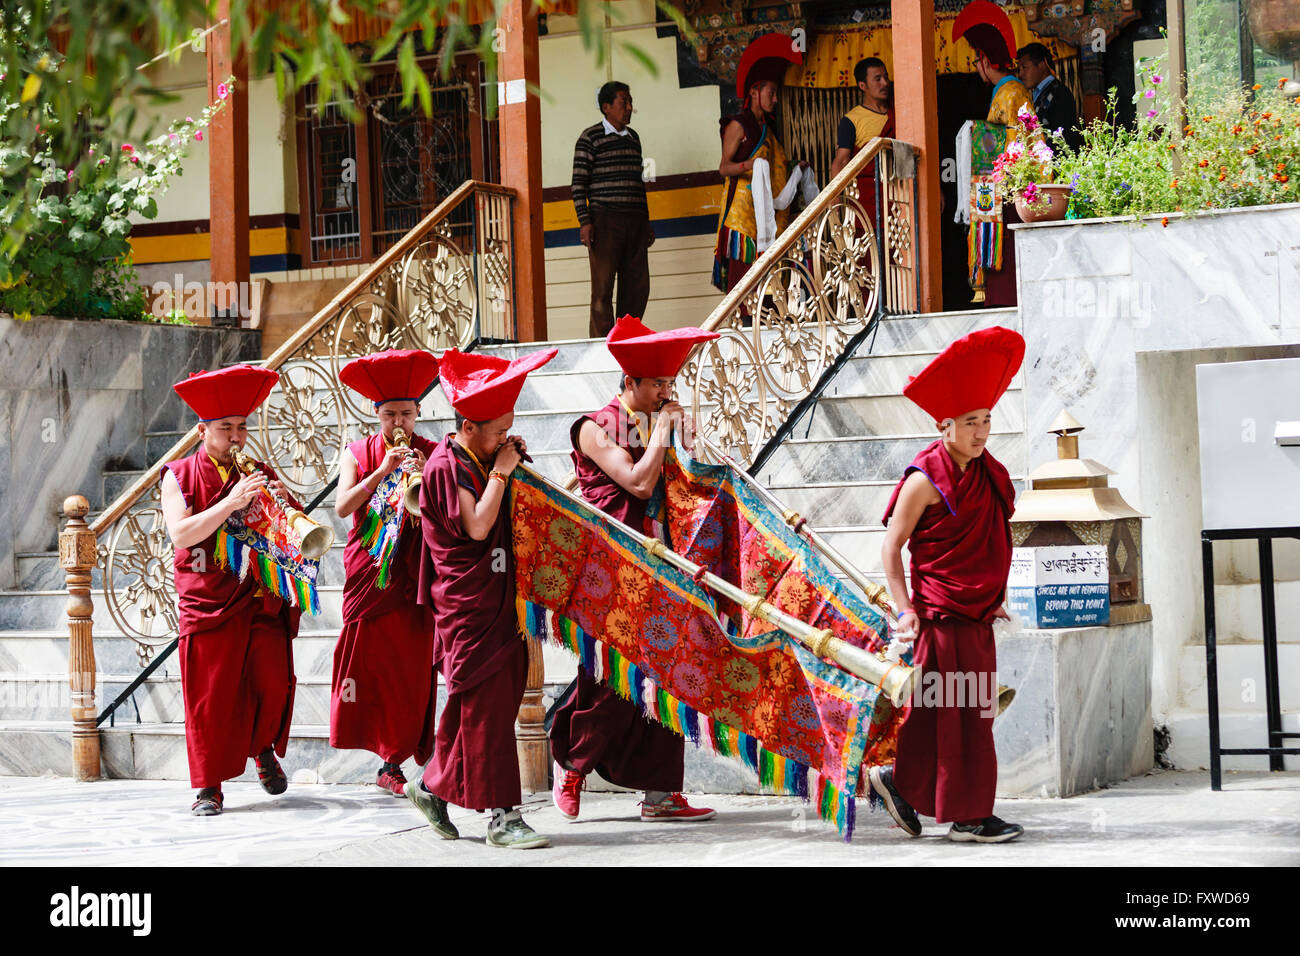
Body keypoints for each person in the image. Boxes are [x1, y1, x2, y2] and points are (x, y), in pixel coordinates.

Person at [549, 314, 719, 824]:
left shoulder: (653, 419)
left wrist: (687, 431)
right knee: (610, 677)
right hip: (608, 570)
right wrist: (664, 430)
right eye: (658, 385)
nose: (665, 391)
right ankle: (573, 767)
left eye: (670, 383)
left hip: (662, 565)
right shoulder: (594, 428)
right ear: (630, 383)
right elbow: (639, 486)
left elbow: (696, 475)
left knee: (667, 675)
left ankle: (661, 793)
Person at [869, 326, 1026, 844]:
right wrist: (904, 608)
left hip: (977, 615)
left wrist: (995, 595)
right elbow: (892, 548)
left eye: (986, 421)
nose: (982, 433)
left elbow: (992, 538)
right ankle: (964, 813)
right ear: (945, 425)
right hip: (938, 616)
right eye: (971, 423)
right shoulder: (925, 479)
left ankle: (910, 789)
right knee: (949, 713)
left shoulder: (988, 471)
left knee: (964, 714)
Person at [404, 345, 558, 849]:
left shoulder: (481, 454)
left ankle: (431, 786)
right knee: (487, 713)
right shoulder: (447, 465)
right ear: (468, 426)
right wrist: (501, 473)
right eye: (497, 432)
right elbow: (476, 526)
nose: (504, 441)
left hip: (502, 602)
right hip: (468, 608)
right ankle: (503, 818)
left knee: (480, 708)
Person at [160, 365, 299, 816]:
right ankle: (209, 787)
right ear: (203, 431)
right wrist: (231, 502)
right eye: (226, 429)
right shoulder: (178, 475)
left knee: (273, 683)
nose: (236, 437)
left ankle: (261, 748)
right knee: (211, 696)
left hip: (258, 596)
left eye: (241, 427)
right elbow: (181, 534)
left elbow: (289, 524)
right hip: (209, 600)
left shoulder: (258, 471)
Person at [331, 349, 440, 796]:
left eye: (408, 414)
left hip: (415, 576)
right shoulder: (356, 453)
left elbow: (445, 512)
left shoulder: (432, 452)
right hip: (371, 573)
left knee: (411, 671)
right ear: (377, 414)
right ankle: (385, 758)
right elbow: (342, 507)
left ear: (418, 414)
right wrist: (382, 471)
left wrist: (423, 476)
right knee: (374, 669)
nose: (400, 424)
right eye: (391, 414)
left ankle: (398, 759)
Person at [953, 0, 1036, 308]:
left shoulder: (1010, 92)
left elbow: (1016, 141)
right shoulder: (1006, 91)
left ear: (985, 59)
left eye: (976, 61)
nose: (977, 68)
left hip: (1009, 190)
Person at [713, 32, 806, 293]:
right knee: (744, 287)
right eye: (772, 93)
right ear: (754, 91)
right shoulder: (737, 125)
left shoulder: (769, 129)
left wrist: (795, 168)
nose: (775, 100)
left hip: (769, 213)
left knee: (770, 287)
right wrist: (749, 165)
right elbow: (724, 168)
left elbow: (775, 168)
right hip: (742, 216)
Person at [572, 81, 654, 337]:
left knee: (637, 286)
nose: (629, 108)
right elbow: (578, 183)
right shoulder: (590, 138)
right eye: (623, 102)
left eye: (630, 102)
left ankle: (627, 339)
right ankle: (601, 345)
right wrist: (585, 221)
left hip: (636, 221)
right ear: (606, 107)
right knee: (603, 289)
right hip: (604, 222)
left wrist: (646, 221)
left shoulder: (634, 138)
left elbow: (640, 183)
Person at [829, 56, 895, 224]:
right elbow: (841, 160)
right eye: (877, 79)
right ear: (862, 85)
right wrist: (834, 195)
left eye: (886, 77)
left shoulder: (898, 112)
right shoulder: (851, 120)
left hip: (899, 197)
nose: (885, 83)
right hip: (868, 200)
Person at [1017, 42, 1083, 153]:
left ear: (1042, 64)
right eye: (1019, 69)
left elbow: (1063, 139)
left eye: (1024, 67)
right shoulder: (1038, 93)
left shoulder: (1058, 93)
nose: (1021, 74)